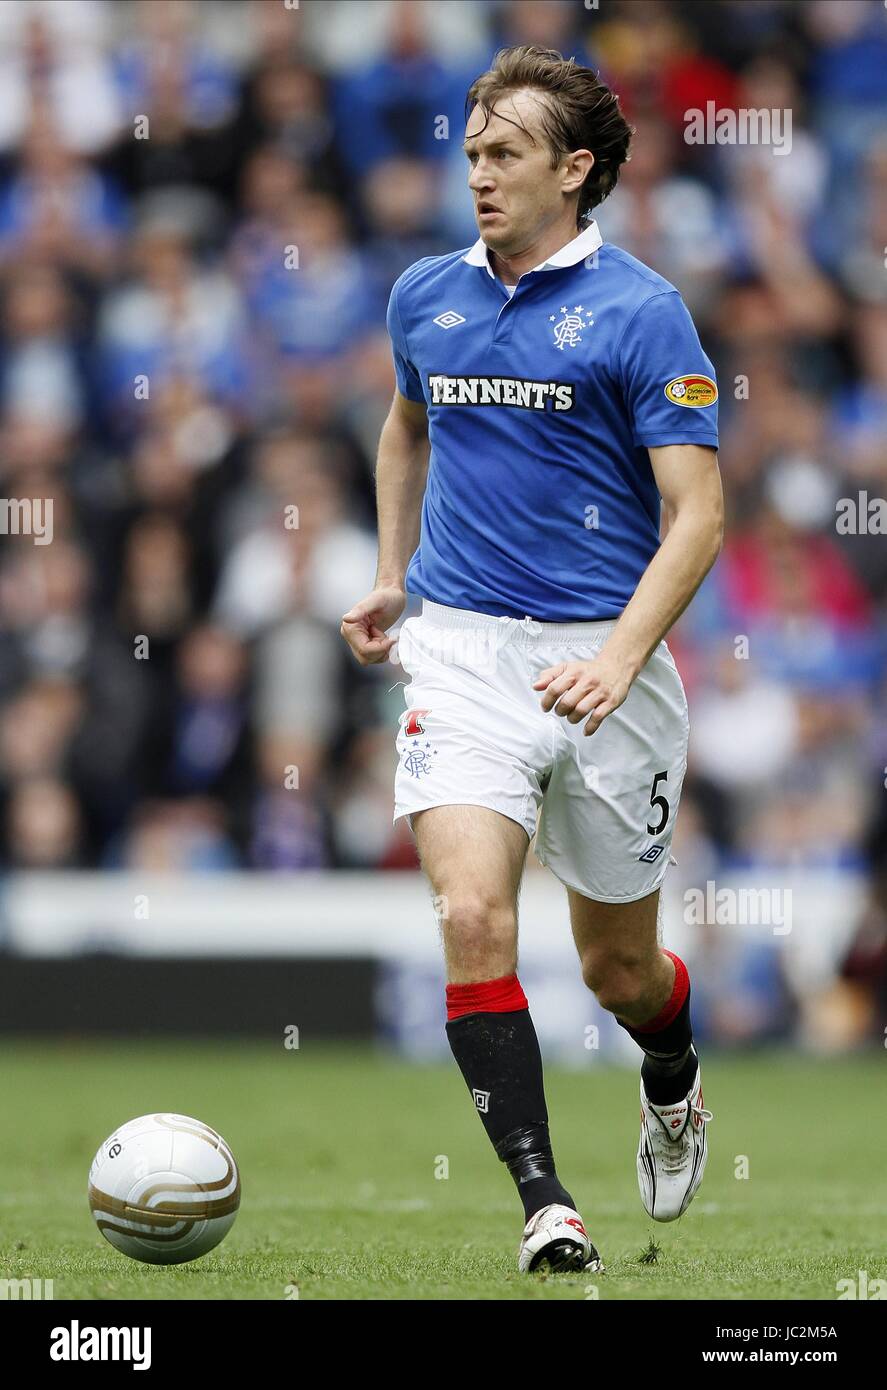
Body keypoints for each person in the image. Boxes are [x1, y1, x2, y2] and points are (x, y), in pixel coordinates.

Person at [341, 45, 723, 1274]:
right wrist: (393, 572)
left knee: (618, 970)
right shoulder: (423, 295)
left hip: (604, 665)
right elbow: (404, 427)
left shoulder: (642, 312)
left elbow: (698, 515)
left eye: (503, 153)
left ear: (574, 168)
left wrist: (618, 657)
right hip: (460, 651)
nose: (477, 176)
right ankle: (544, 1203)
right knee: (469, 913)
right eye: (470, 154)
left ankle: (670, 1072)